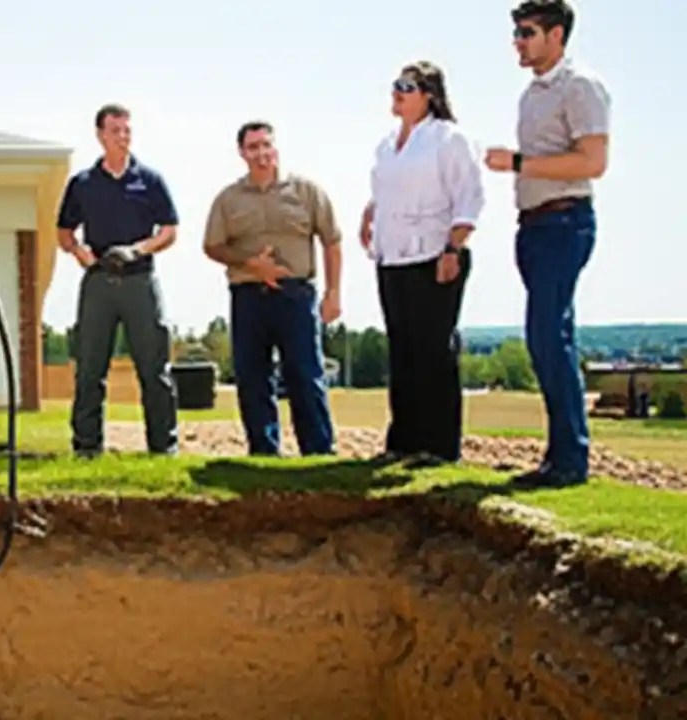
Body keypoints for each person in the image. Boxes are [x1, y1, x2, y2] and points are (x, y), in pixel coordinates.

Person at [484, 0, 611, 487]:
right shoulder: (531, 95)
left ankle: (569, 461)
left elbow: (592, 162)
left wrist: (518, 164)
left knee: (546, 338)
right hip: (533, 226)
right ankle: (561, 457)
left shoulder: (580, 87)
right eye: (516, 32)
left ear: (557, 35)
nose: (518, 41)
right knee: (552, 339)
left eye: (527, 32)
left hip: (564, 223)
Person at [359, 61, 484, 466]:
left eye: (406, 86)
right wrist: (370, 217)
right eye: (395, 85)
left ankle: (439, 447)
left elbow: (469, 196)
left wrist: (453, 247)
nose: (396, 93)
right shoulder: (387, 144)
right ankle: (404, 441)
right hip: (392, 256)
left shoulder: (448, 139)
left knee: (433, 350)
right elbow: (388, 191)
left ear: (428, 94)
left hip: (433, 254)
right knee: (403, 349)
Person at [202, 121, 342, 456]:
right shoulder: (228, 199)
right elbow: (213, 247)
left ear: (275, 148)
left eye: (266, 145)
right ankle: (264, 452)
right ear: (242, 153)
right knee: (252, 378)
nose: (261, 154)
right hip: (248, 297)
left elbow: (332, 240)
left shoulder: (306, 191)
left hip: (296, 295)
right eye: (253, 148)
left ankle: (319, 452)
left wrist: (333, 292)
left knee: (305, 375)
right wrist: (252, 264)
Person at [56, 103, 180, 456]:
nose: (123, 137)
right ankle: (86, 448)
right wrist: (82, 256)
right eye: (115, 131)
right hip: (98, 284)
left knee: (154, 368)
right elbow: (64, 233)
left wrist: (137, 250)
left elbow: (170, 231)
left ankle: (163, 447)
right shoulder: (82, 184)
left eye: (127, 130)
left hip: (140, 281)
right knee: (90, 369)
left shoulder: (150, 180)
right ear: (100, 135)